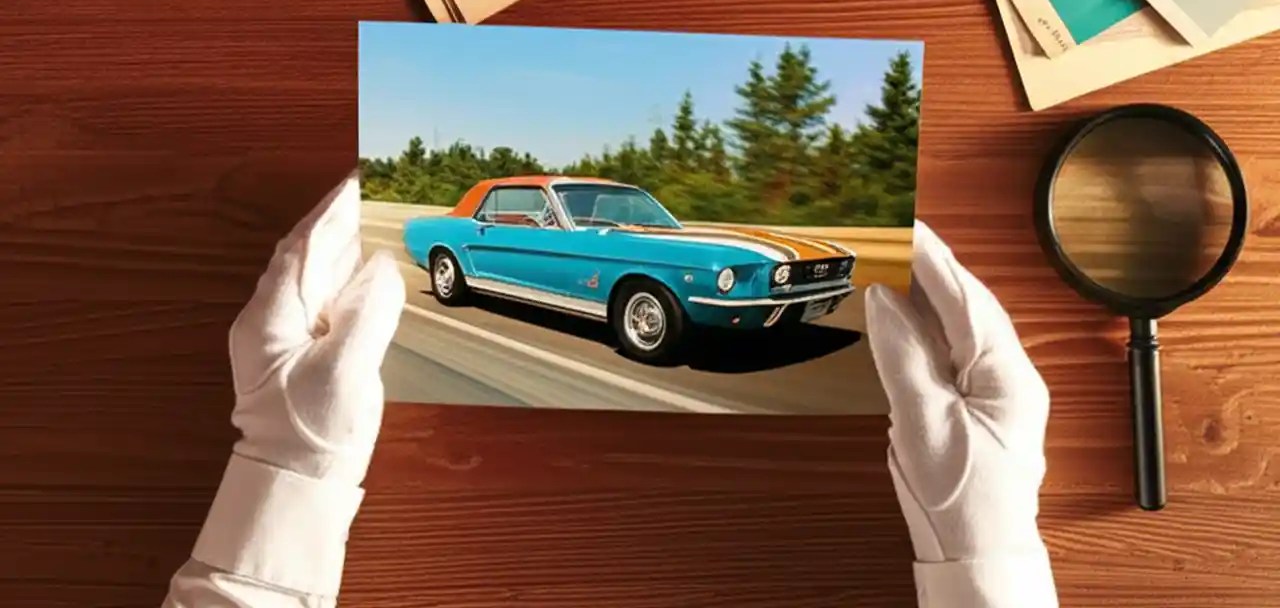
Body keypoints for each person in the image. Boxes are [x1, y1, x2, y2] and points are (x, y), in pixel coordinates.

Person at [160, 175, 1058, 608]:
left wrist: (281, 473)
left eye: (623, 214)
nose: (617, 225)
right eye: (591, 213)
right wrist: (995, 556)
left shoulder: (663, 237)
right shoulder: (470, 230)